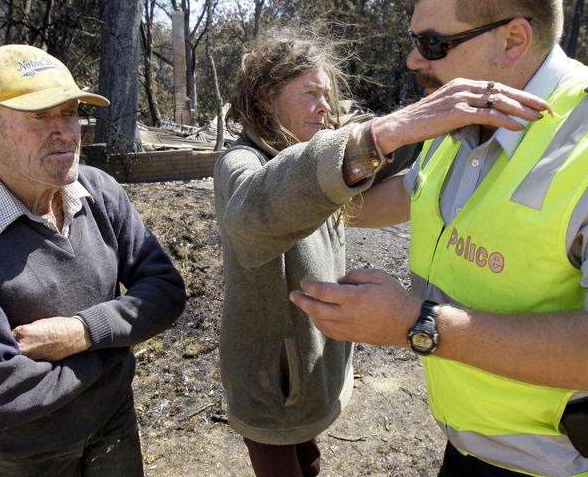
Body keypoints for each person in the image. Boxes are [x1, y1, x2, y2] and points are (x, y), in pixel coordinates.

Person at [291, 0, 588, 477]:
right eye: (415, 40)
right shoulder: (463, 116)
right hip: (468, 447)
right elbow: (405, 199)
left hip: (580, 465)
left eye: (434, 44)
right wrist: (297, 191)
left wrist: (414, 324)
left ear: (512, 39)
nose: (415, 60)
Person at [214, 28, 548, 476]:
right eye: (311, 93)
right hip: (268, 381)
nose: (325, 107)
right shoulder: (241, 162)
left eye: (327, 95)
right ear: (266, 97)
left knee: (308, 461)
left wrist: (433, 122)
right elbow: (254, 212)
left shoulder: (309, 152)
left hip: (310, 371)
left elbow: (377, 160)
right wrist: (381, 133)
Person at [0, 44, 186, 476]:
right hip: (29, 453)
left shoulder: (100, 191)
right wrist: (117, 347)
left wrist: (81, 332)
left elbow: (165, 292)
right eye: (40, 116)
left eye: (70, 113)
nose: (66, 132)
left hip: (115, 425)